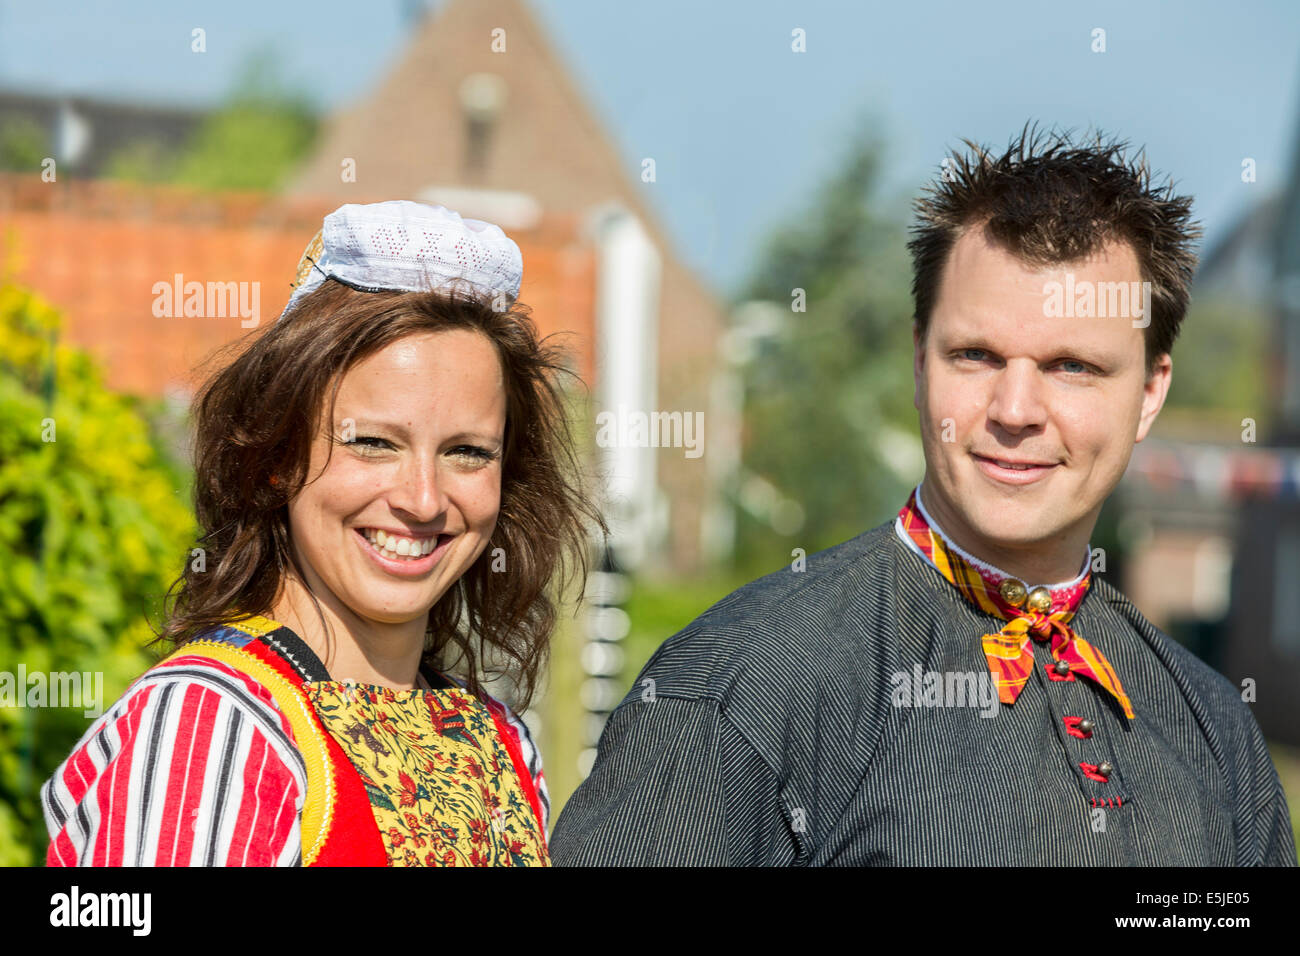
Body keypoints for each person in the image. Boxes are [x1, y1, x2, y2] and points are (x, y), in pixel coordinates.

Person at [549, 126, 1298, 866]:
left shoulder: (1214, 731)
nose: (1015, 409)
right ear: (918, 360)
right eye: (975, 355)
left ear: (1149, 392)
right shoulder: (739, 691)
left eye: (1072, 366)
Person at [42, 200, 601, 866]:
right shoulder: (213, 724)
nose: (423, 499)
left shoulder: (499, 740)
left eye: (468, 452)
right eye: (372, 444)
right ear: (277, 457)